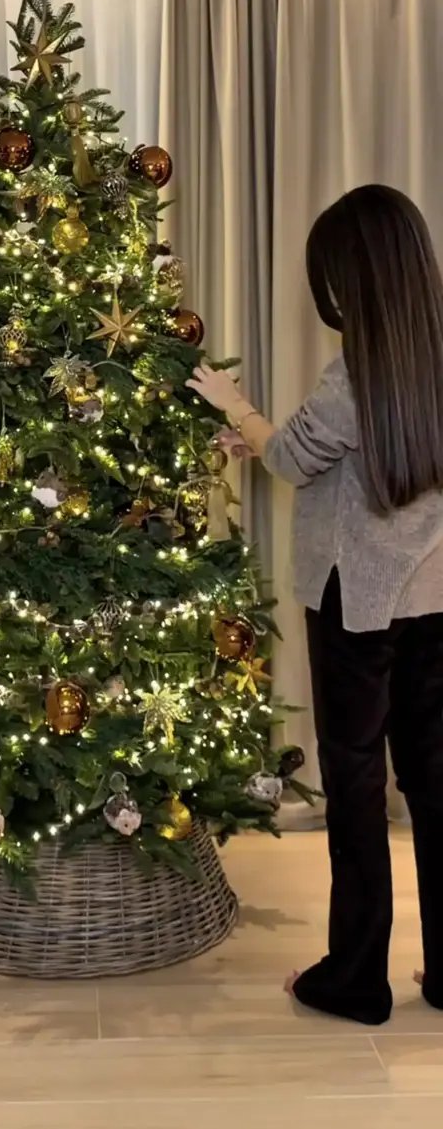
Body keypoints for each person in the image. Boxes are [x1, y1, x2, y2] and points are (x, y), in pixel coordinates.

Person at [186, 183, 443, 1027]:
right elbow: (374, 462)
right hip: (433, 598)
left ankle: (357, 976)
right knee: (435, 781)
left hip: (355, 605)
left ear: (355, 281)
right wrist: (264, 436)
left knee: (358, 781)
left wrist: (237, 408)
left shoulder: (355, 376)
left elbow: (295, 458)